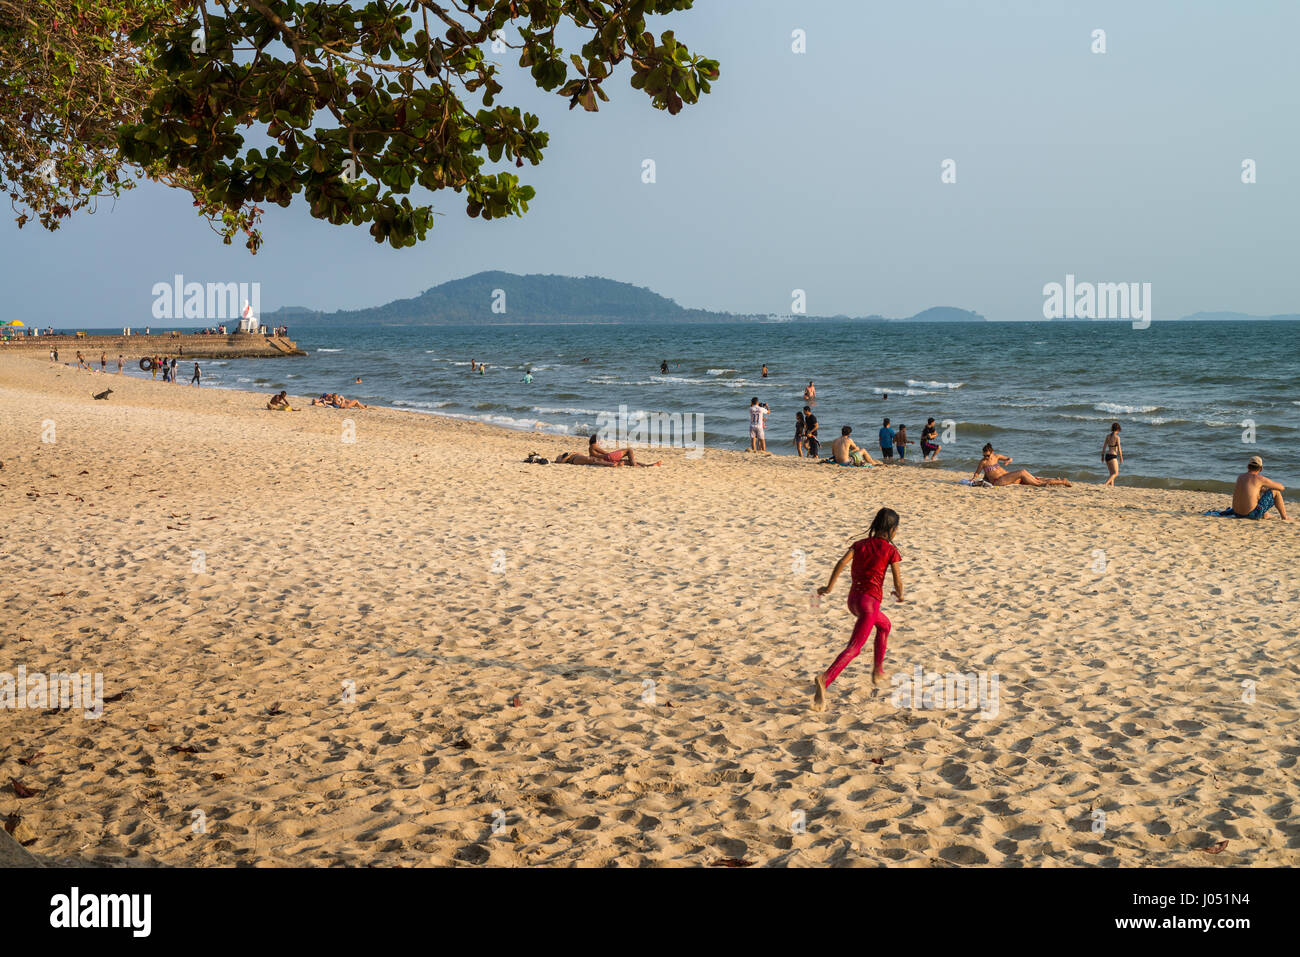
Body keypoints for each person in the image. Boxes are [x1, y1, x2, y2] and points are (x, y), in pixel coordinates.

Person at [812, 507, 905, 712]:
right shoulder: (890, 550)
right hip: (869, 604)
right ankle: (824, 679)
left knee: (885, 626)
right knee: (854, 647)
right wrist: (900, 594)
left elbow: (841, 563)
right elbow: (897, 578)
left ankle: (878, 670)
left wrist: (829, 587)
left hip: (853, 600)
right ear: (892, 529)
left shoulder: (860, 544)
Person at [1206, 456, 1288, 520]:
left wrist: (1260, 488)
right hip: (1250, 515)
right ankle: (1285, 517)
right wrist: (1265, 486)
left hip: (1236, 513)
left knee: (1256, 492)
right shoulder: (1260, 478)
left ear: (1248, 467)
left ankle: (1264, 515)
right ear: (1261, 469)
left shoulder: (1240, 477)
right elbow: (1281, 487)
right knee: (1275, 491)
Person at [974, 443, 1071, 487]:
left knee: (1035, 479)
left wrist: (1008, 461)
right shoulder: (983, 462)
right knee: (1023, 472)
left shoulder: (997, 456)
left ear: (992, 452)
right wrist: (973, 479)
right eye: (984, 455)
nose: (985, 457)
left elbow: (1009, 458)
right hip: (998, 481)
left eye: (987, 455)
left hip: (1007, 477)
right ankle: (1060, 483)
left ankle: (1060, 481)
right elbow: (977, 473)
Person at [588, 434, 661, 467]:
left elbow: (594, 457)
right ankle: (635, 465)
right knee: (629, 450)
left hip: (607, 459)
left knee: (629, 461)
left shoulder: (591, 449)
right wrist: (615, 454)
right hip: (608, 457)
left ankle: (649, 465)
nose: (600, 441)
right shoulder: (593, 446)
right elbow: (605, 453)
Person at [555, 451, 621, 467]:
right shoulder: (561, 457)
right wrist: (570, 455)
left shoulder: (570, 453)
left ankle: (613, 463)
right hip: (575, 459)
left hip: (578, 457)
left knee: (594, 459)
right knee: (591, 460)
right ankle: (611, 464)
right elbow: (561, 462)